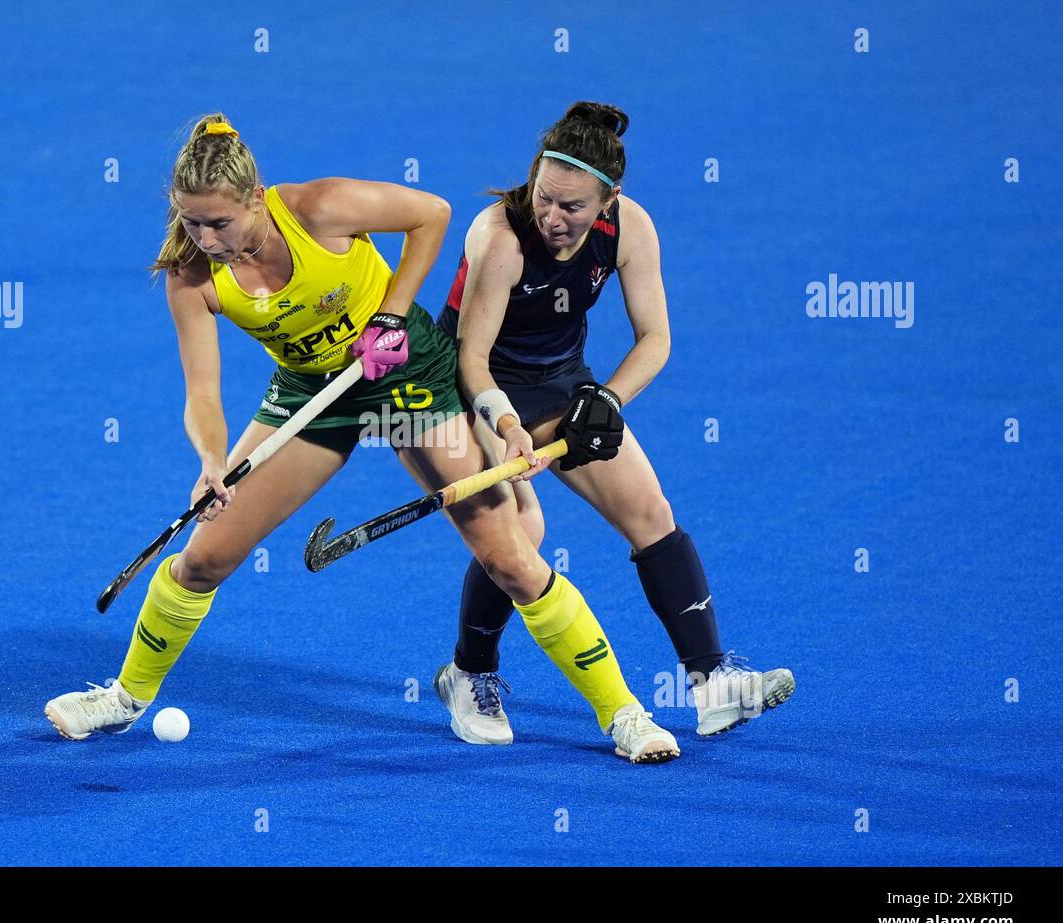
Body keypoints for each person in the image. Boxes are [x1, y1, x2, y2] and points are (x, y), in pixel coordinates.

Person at [44, 113, 681, 763]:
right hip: (312, 398)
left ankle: (623, 713)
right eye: (191, 222)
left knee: (511, 557)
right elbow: (203, 394)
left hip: (407, 375)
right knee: (205, 557)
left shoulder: (318, 210)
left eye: (218, 222)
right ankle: (125, 696)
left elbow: (430, 214)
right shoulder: (191, 277)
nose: (205, 238)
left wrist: (391, 315)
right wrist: (211, 459)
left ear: (255, 199)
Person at [434, 101, 795, 745]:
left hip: (560, 376)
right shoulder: (500, 238)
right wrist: (507, 427)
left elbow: (655, 338)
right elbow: (471, 360)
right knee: (522, 528)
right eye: (545, 197)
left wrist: (607, 398)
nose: (552, 216)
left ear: (608, 199)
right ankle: (469, 674)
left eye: (572, 207)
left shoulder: (631, 229)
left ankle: (711, 683)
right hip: (473, 388)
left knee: (650, 513)